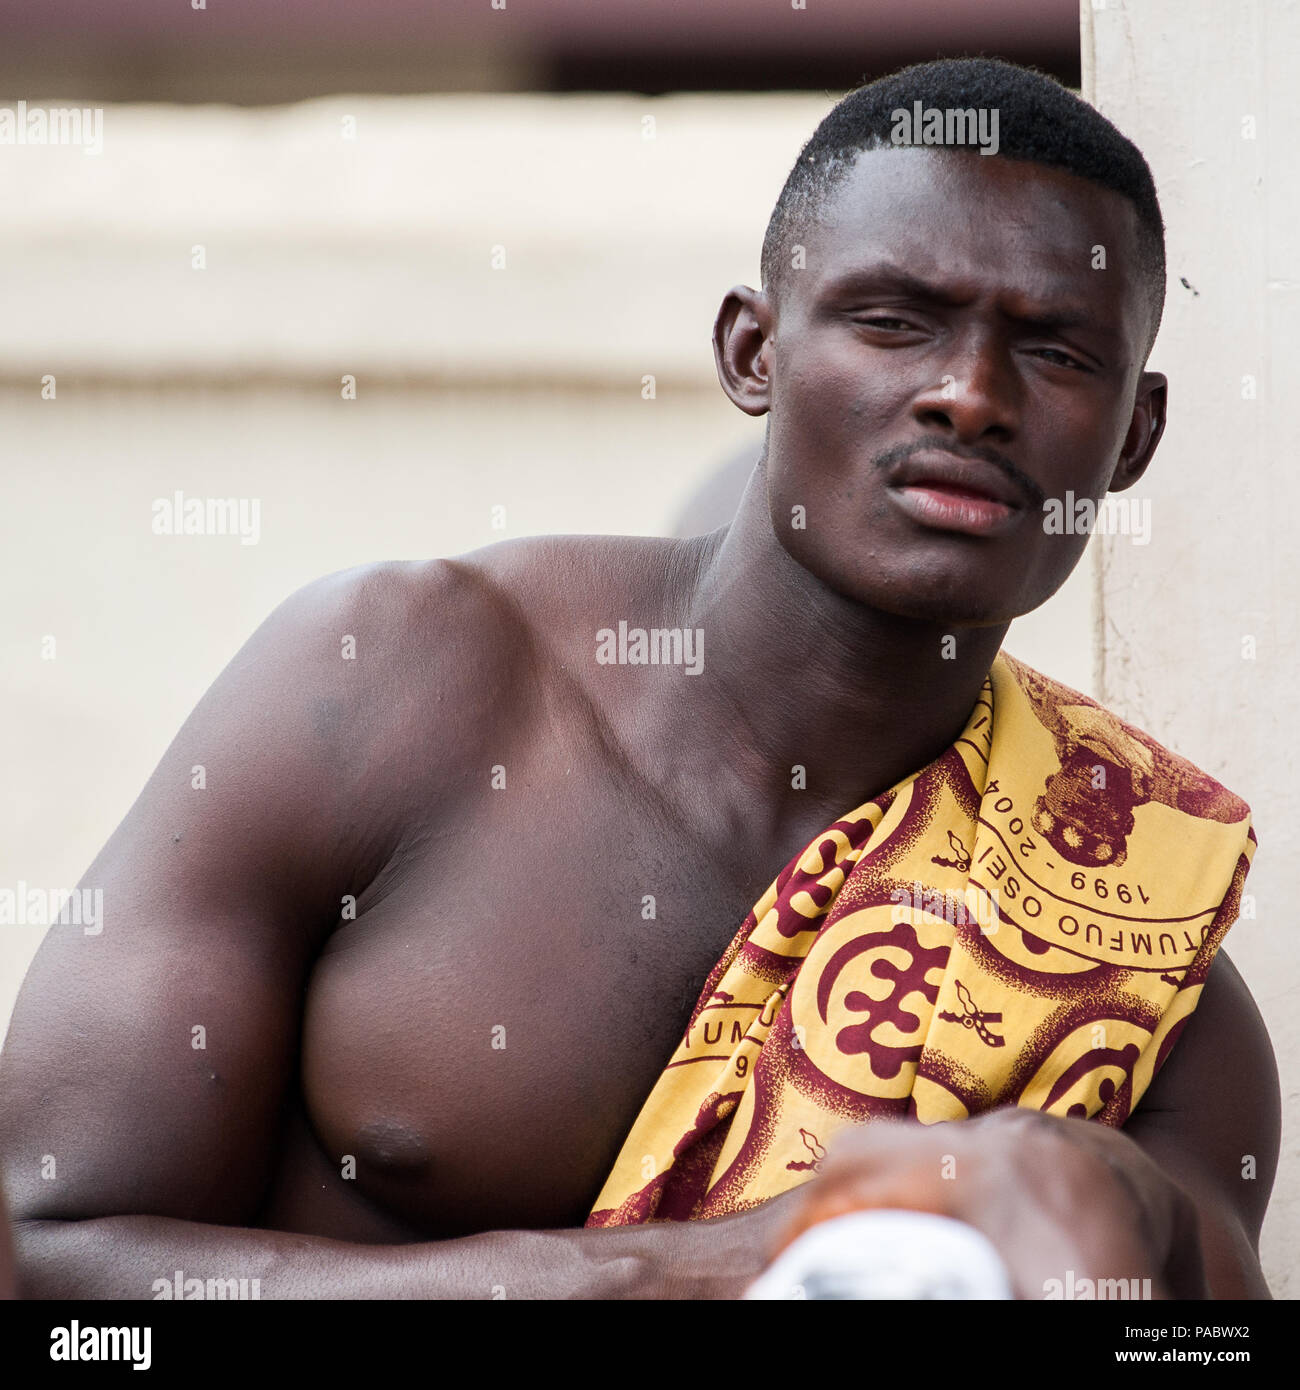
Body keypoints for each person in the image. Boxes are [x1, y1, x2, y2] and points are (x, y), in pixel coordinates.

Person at [0, 58, 1278, 1300]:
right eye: (894, 321)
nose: (968, 394)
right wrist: (664, 1274)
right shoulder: (393, 683)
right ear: (751, 353)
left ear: (1135, 436)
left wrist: (1121, 1215)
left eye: (1055, 353)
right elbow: (48, 1266)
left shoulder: (1135, 987)